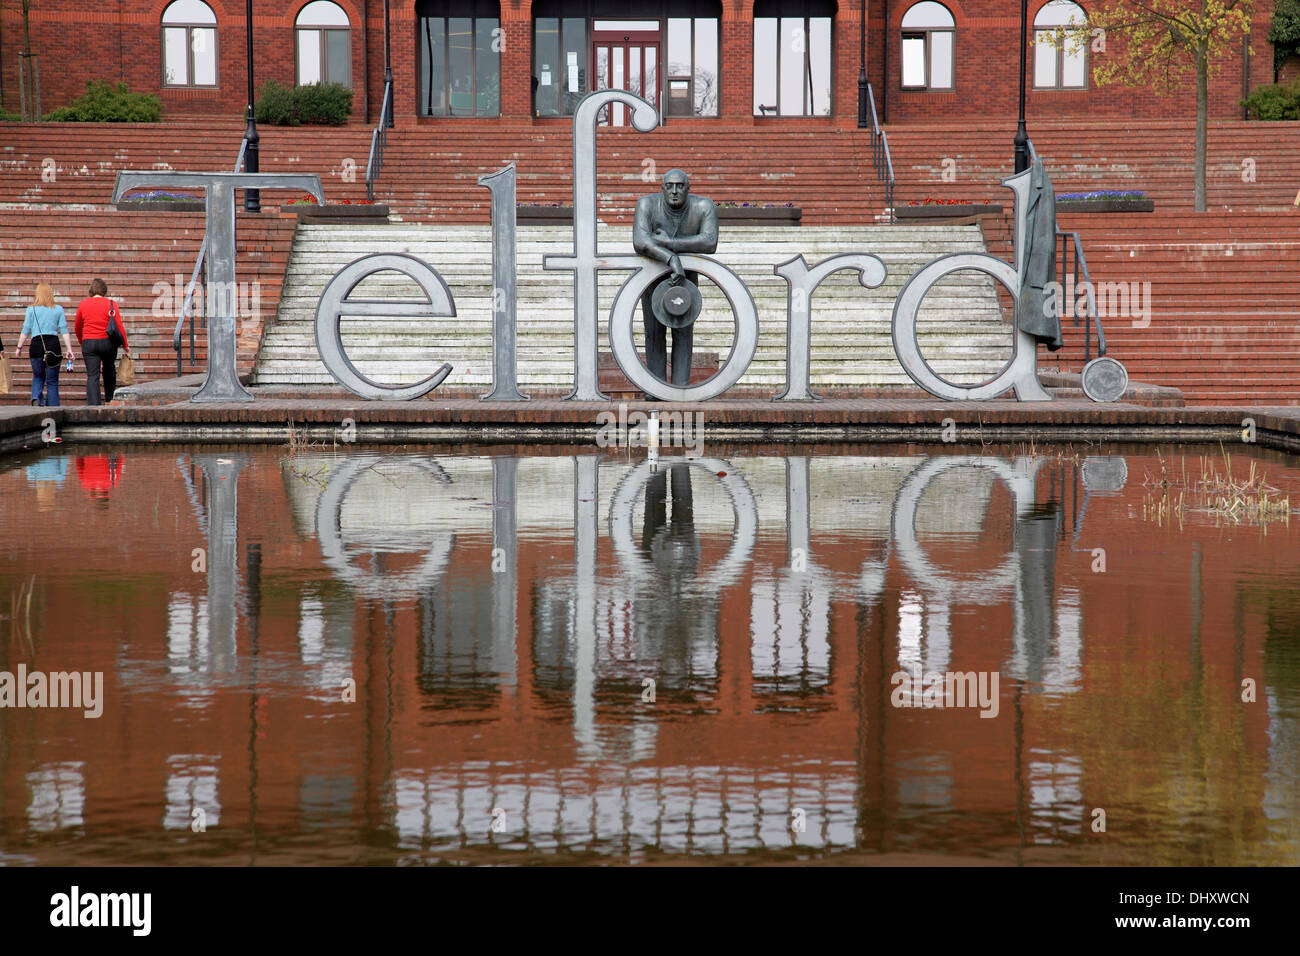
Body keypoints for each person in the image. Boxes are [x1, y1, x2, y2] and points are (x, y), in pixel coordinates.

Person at [632, 169, 719, 386]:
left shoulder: (703, 206)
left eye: (680, 186)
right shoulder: (646, 205)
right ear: (661, 189)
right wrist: (671, 258)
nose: (674, 191)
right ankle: (655, 387)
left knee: (683, 333)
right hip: (653, 276)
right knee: (653, 334)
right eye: (669, 186)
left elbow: (709, 242)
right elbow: (640, 242)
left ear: (688, 189)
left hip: (685, 278)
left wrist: (668, 243)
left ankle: (680, 387)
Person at [15, 283, 76, 407]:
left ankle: (36, 398)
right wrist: (69, 349)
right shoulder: (58, 309)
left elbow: (25, 330)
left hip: (36, 346)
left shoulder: (31, 310)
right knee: (52, 381)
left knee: (38, 376)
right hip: (53, 346)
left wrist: (19, 347)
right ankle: (53, 408)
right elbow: (64, 330)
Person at [74, 277, 130, 406]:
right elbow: (119, 326)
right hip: (108, 343)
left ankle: (94, 406)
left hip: (89, 343)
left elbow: (77, 327)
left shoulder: (83, 304)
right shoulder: (111, 304)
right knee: (109, 369)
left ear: (91, 290)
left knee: (92, 376)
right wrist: (125, 345)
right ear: (104, 290)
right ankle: (110, 400)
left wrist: (82, 342)